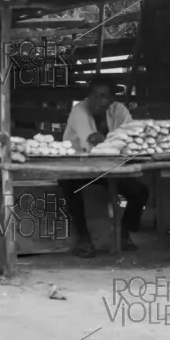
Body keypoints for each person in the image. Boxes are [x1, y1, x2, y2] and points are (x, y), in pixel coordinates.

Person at [59, 77, 148, 258]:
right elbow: (93, 142)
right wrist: (117, 141)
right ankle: (84, 239)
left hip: (109, 169)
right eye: (93, 96)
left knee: (140, 192)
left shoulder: (119, 111)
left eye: (102, 96)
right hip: (78, 167)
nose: (96, 101)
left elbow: (132, 136)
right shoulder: (79, 111)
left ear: (111, 100)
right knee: (70, 187)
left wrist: (120, 140)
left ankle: (123, 232)